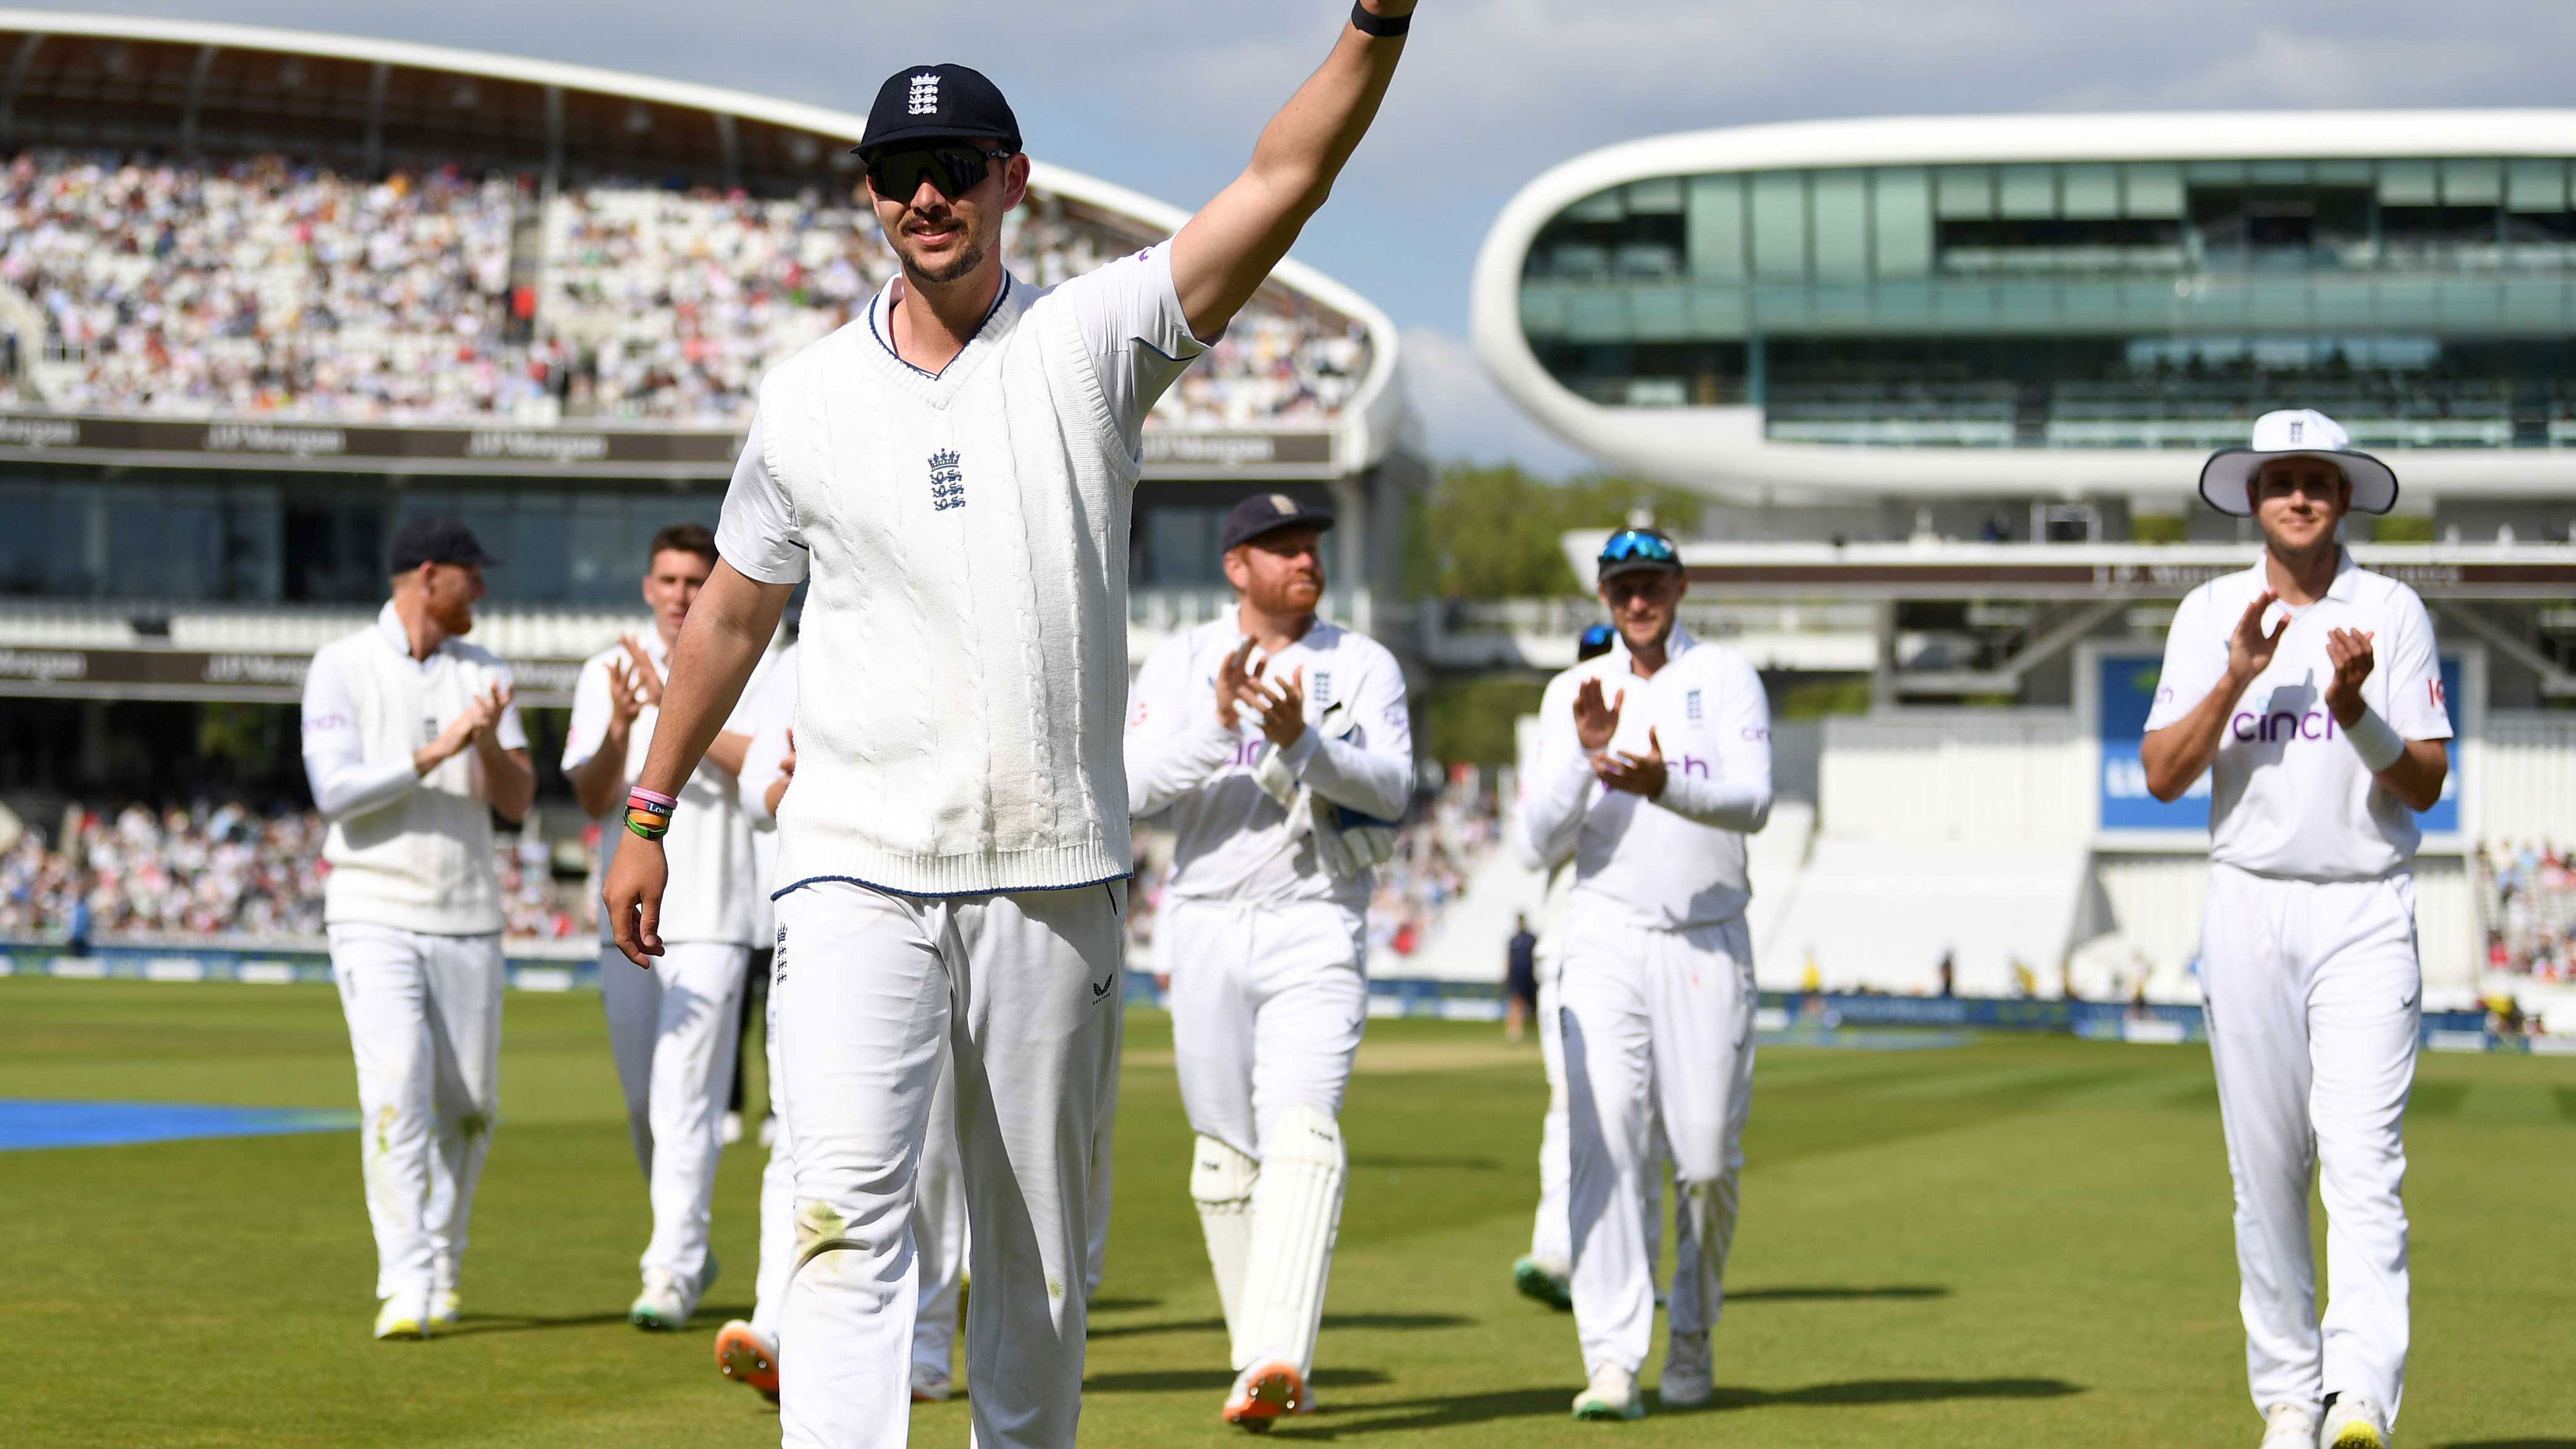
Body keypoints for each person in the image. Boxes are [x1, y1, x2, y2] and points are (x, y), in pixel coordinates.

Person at [601, 20, 1420, 1447]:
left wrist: (1378, 25)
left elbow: (1284, 177)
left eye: (956, 166)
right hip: (851, 863)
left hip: (1051, 869)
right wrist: (649, 811)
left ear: (1011, 178)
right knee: (844, 1221)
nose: (929, 196)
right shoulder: (802, 399)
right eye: (899, 171)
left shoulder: (1092, 336)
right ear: (870, 194)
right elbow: (729, 619)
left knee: (1036, 1269)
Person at [2139, 409, 2452, 1449]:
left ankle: (2356, 1394)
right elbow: (2162, 777)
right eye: (2281, 479)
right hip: (2249, 903)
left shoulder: (2392, 611)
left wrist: (2356, 707)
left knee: (2363, 1159)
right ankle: (2286, 1397)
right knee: (2265, 1165)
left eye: (2318, 478)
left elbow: (2426, 783)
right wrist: (2236, 672)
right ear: (2253, 497)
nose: (2300, 495)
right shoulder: (2209, 614)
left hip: (2363, 904)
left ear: (2345, 495)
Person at [1125, 493, 1411, 1425]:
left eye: (1312, 547)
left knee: (1300, 1129)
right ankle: (1261, 1365)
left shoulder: (1360, 663)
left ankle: (1279, 1354)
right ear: (1235, 566)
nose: (1305, 562)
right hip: (1204, 919)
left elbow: (1392, 788)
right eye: (1281, 549)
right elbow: (1129, 789)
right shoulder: (1178, 660)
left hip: (1315, 915)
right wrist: (1218, 726)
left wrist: (1303, 743)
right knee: (1223, 1157)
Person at [1519, 526, 1772, 1420]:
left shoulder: (1724, 676)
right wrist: (1590, 764)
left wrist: (1666, 784)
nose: (1638, 600)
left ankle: (1691, 1337)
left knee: (1704, 1160)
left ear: (1679, 585)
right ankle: (1612, 1358)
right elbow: (1533, 844)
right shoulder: (1569, 695)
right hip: (1605, 935)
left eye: (1652, 582)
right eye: (1623, 586)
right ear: (1603, 595)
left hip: (1705, 938)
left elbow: (1754, 800)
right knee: (1607, 1138)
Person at [717, 642, 973, 1406]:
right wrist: (785, 789)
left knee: (927, 1152)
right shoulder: (800, 659)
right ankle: (778, 1323)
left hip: (943, 899)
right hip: (820, 902)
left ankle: (927, 1346)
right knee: (800, 1135)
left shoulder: (957, 623)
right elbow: (755, 786)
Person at [298, 516, 532, 1340]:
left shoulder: (487, 671)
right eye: (473, 574)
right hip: (372, 907)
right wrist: (439, 751)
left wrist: (487, 745)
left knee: (470, 1108)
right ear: (429, 576)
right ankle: (404, 1280)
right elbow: (335, 793)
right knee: (396, 1087)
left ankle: (442, 1258)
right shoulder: (342, 666)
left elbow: (516, 802)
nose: (484, 590)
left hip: (468, 912)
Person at [563, 523, 761, 1331]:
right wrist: (619, 729)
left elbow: (766, 766)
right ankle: (683, 1246)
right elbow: (590, 796)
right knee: (646, 1100)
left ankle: (670, 1272)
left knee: (686, 1098)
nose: (681, 595)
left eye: (694, 582)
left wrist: (686, 700)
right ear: (648, 587)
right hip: (625, 913)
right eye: (669, 582)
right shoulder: (605, 671)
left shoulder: (749, 659)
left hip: (714, 911)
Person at [1503, 913, 1538, 1042]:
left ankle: (1533, 1032)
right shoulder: (1513, 940)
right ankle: (1514, 1033)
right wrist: (1507, 976)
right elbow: (1509, 959)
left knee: (1534, 1007)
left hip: (1530, 977)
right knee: (1516, 1004)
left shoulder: (1532, 939)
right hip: (1516, 978)